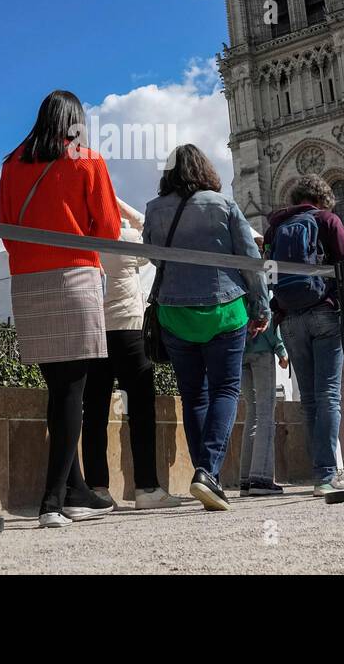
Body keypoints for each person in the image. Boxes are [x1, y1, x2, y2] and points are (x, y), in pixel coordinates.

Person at [0, 91, 120, 528]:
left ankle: (78, 489)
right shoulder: (87, 159)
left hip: (27, 280)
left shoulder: (11, 162)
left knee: (59, 389)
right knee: (73, 392)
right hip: (74, 274)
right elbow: (107, 229)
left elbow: (6, 227)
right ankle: (52, 501)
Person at [146, 144, 268, 511]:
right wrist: (261, 304)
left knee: (194, 396)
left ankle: (206, 474)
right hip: (224, 308)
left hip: (174, 310)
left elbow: (153, 255)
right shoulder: (223, 204)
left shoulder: (154, 209)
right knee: (226, 391)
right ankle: (207, 472)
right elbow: (249, 258)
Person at [266, 175, 344, 495]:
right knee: (329, 395)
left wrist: (278, 309)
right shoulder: (327, 219)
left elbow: (268, 272)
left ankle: (320, 471)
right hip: (325, 313)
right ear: (323, 198)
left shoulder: (274, 228)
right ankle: (325, 475)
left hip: (290, 319)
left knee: (309, 398)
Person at [83, 197, 180, 509]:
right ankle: (146, 488)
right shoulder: (128, 240)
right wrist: (120, 204)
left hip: (97, 329)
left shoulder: (88, 240)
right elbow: (149, 228)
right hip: (129, 329)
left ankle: (97, 487)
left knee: (95, 410)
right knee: (140, 410)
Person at [238, 302, 288, 496]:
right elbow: (265, 317)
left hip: (241, 351)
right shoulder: (256, 284)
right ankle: (261, 478)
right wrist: (281, 350)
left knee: (252, 413)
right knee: (266, 414)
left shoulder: (236, 285)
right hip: (262, 351)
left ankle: (245, 479)